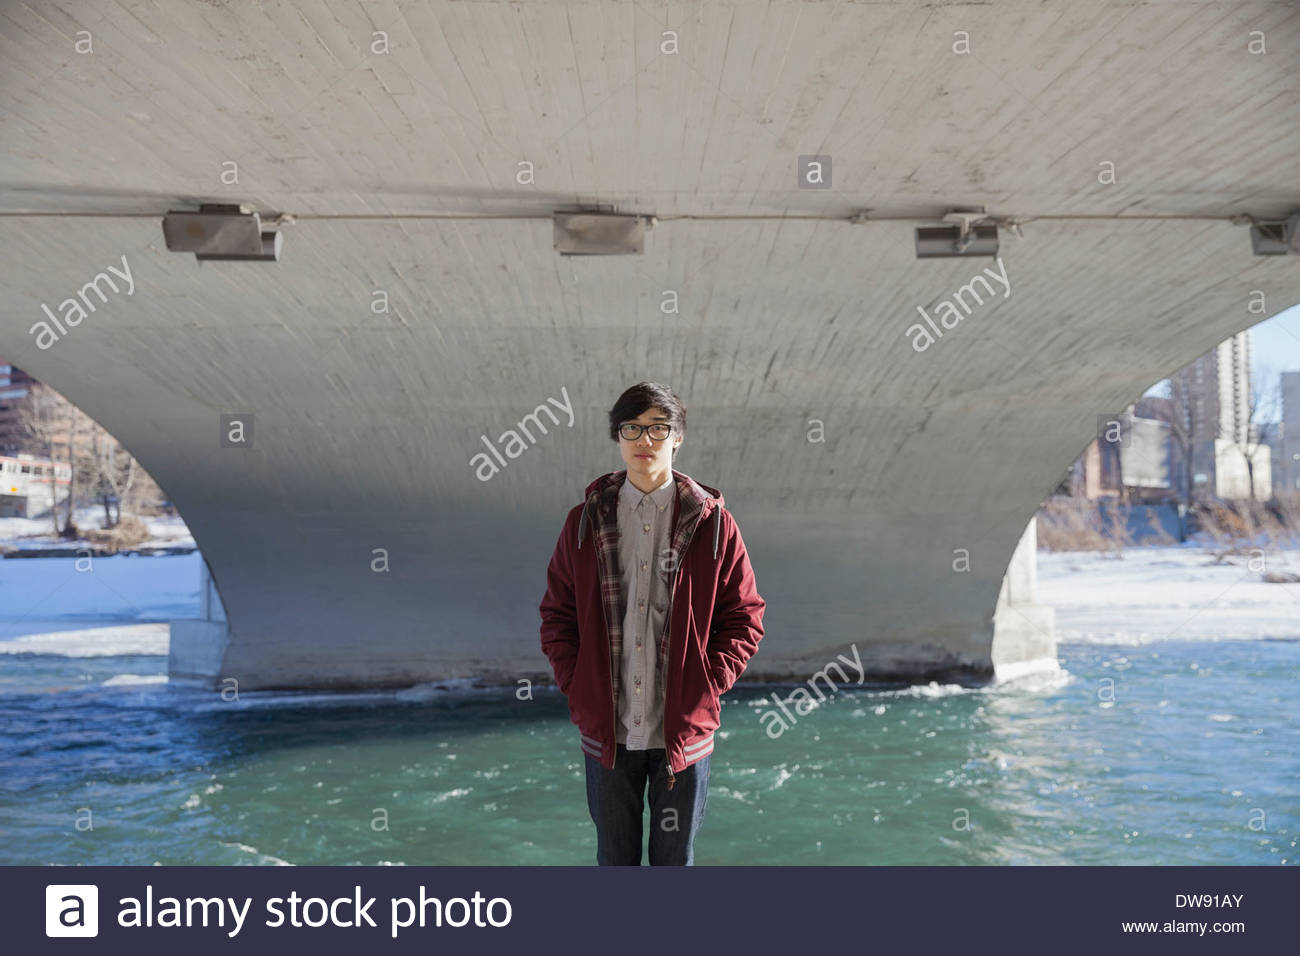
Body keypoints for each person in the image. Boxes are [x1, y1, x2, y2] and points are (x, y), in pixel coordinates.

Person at [539, 381, 766, 865]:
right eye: (633, 428)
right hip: (610, 736)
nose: (645, 440)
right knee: (614, 862)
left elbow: (745, 616)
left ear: (678, 437)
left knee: (673, 865)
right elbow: (556, 614)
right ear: (617, 437)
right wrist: (577, 684)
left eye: (658, 428)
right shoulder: (583, 522)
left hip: (681, 737)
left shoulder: (714, 524)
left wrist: (707, 682)